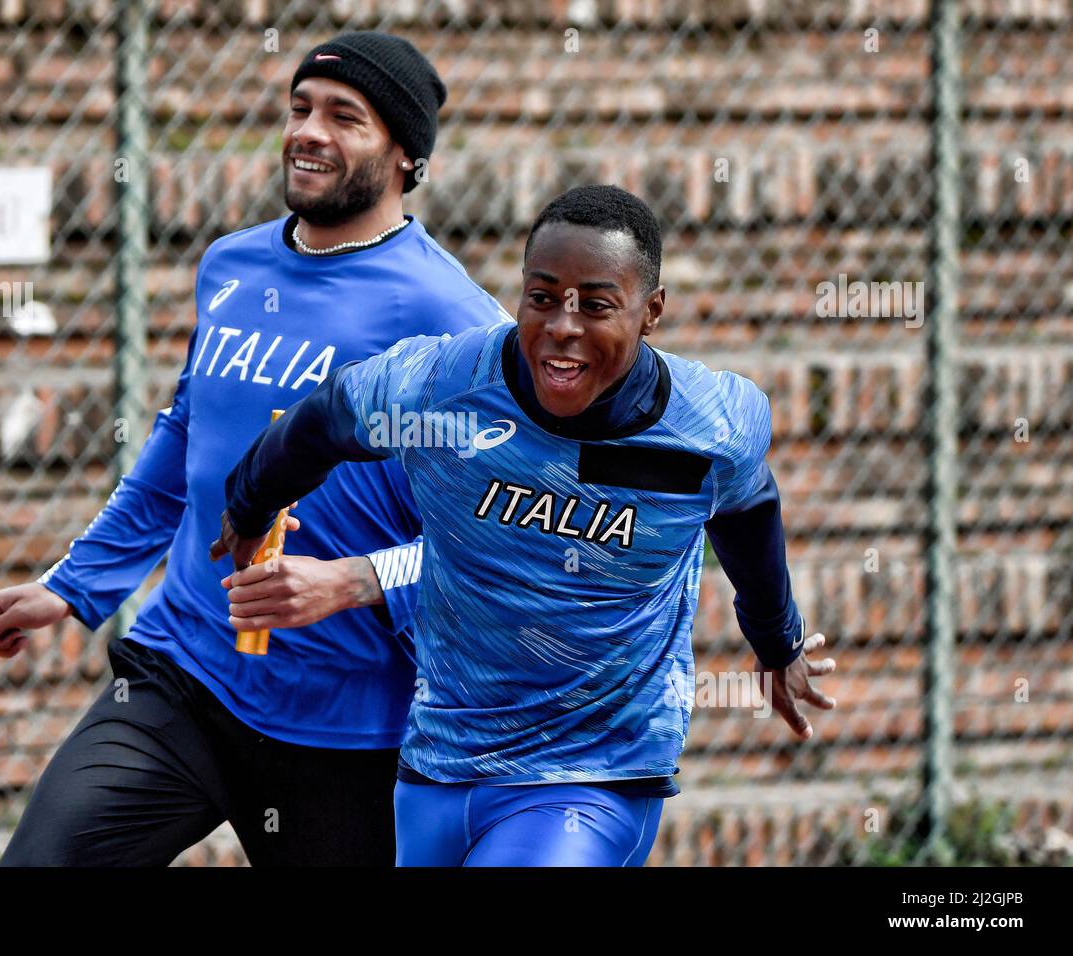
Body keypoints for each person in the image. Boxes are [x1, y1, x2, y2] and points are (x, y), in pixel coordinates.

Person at [0, 31, 507, 866]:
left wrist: (347, 582)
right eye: (299, 108)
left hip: (346, 722)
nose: (308, 131)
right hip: (183, 670)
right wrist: (74, 585)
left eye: (345, 117)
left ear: (406, 156)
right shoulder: (231, 265)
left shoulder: (455, 321)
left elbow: (498, 543)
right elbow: (186, 439)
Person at [215, 184, 840, 867]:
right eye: (542, 297)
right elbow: (326, 418)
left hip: (593, 776)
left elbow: (749, 510)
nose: (562, 327)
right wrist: (250, 505)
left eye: (597, 305)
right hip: (438, 767)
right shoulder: (442, 391)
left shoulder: (710, 427)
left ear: (651, 310)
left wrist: (776, 642)